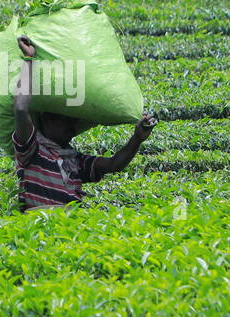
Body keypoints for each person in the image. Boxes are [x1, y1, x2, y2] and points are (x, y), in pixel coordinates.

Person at [12, 34, 156, 211]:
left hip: (73, 228)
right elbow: (20, 109)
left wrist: (137, 138)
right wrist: (29, 58)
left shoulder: (75, 159)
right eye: (64, 118)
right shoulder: (31, 150)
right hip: (40, 227)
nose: (71, 124)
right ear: (46, 119)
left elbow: (113, 164)